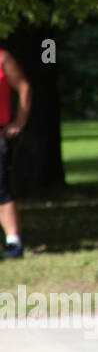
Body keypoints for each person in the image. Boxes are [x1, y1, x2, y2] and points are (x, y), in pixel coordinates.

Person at [0, 46, 31, 259]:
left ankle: (13, 243)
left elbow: (24, 87)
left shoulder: (2, 58)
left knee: (1, 187)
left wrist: (19, 122)